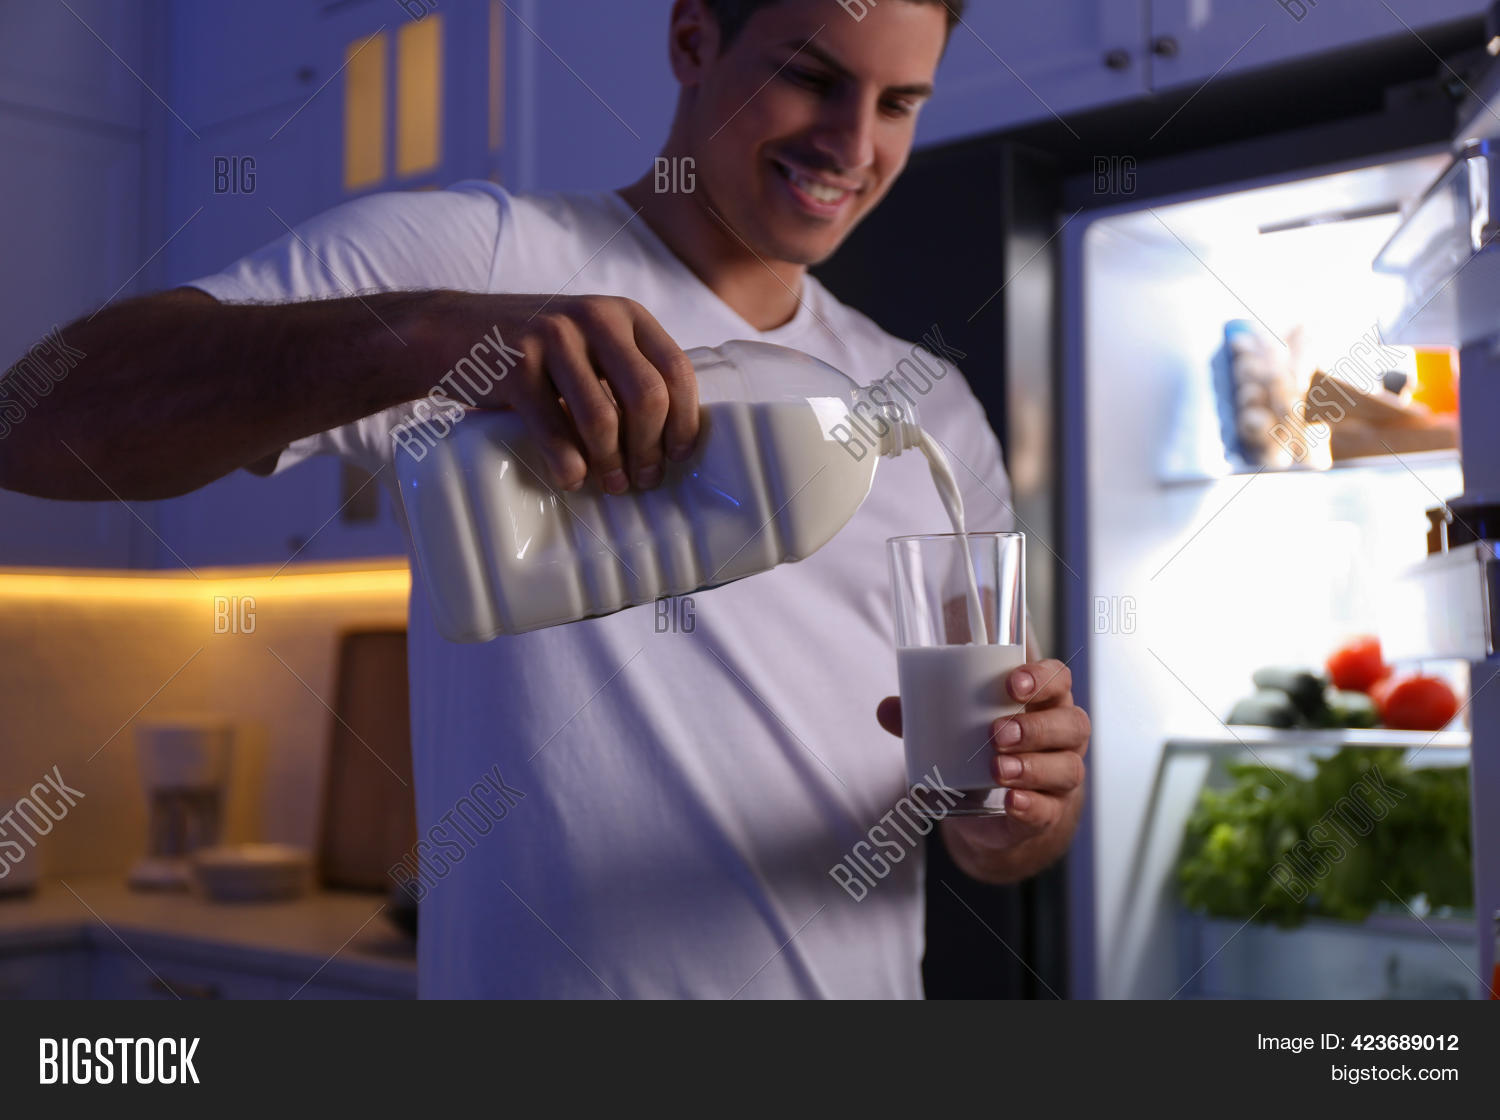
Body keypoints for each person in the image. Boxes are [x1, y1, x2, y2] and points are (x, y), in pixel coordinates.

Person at [0, 0, 1089, 998]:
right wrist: (429, 338)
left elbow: (990, 823)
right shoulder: (485, 257)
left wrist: (1021, 808)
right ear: (692, 37)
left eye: (898, 103)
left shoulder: (929, 406)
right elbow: (39, 424)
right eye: (811, 76)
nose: (854, 147)